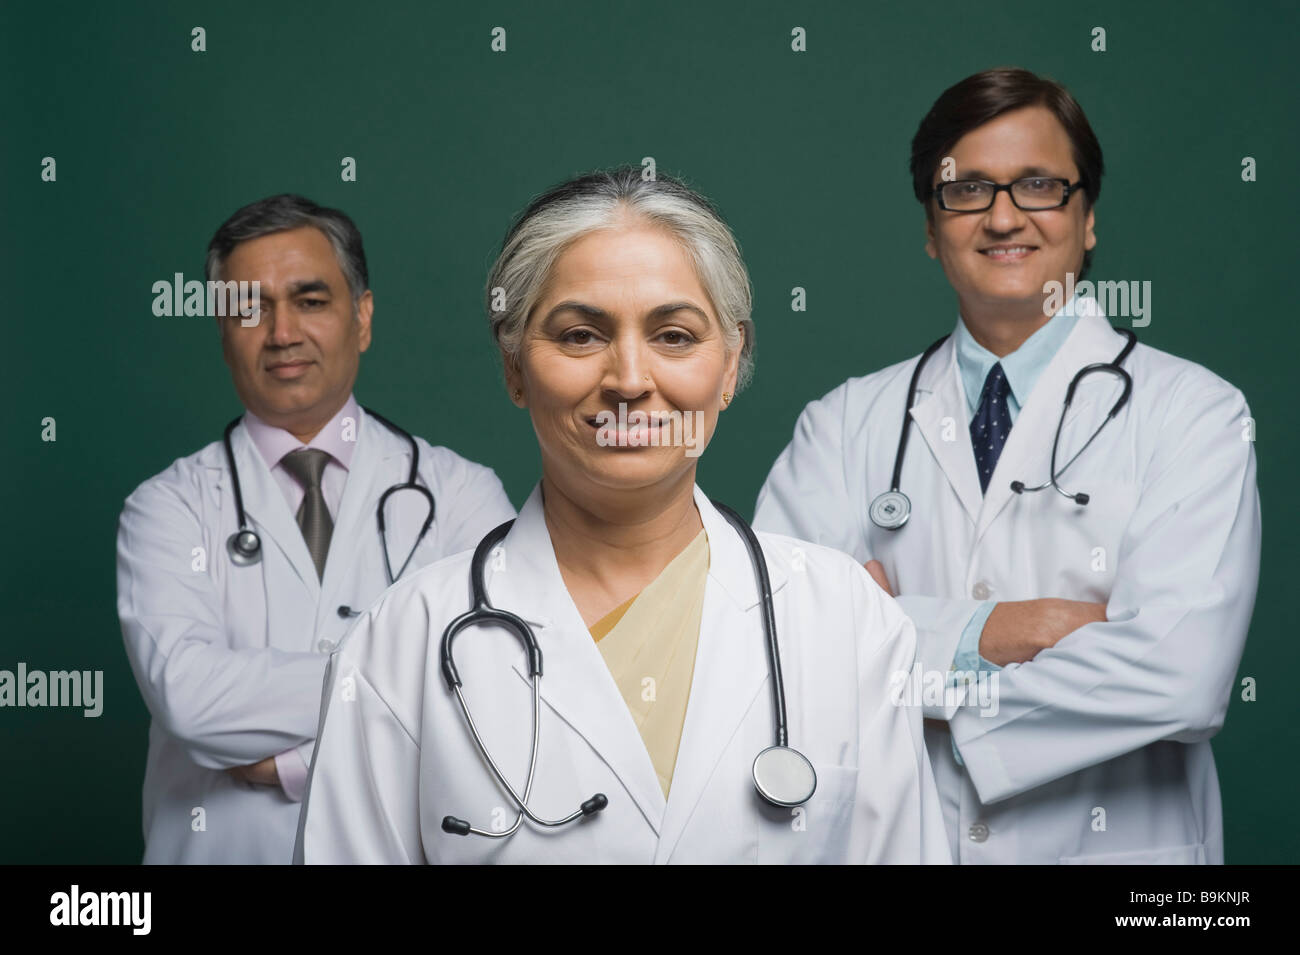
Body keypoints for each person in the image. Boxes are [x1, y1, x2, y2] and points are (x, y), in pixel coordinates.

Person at [294, 167, 950, 864]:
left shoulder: (847, 619)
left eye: (674, 335)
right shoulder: (401, 644)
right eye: (580, 335)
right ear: (514, 367)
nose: (630, 380)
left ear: (730, 365)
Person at [754, 68, 1261, 864]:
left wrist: (895, 650)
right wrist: (992, 630)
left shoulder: (1196, 413)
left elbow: (1179, 676)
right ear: (930, 226)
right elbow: (775, 649)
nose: (1001, 216)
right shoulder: (844, 424)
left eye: (1038, 185)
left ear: (1086, 217)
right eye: (966, 190)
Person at [116, 194, 516, 864]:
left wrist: (297, 761)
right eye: (250, 307)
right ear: (221, 326)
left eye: (310, 300)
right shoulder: (166, 507)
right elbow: (191, 698)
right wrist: (407, 673)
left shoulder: (461, 495)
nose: (281, 332)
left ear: (361, 318)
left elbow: (500, 686)